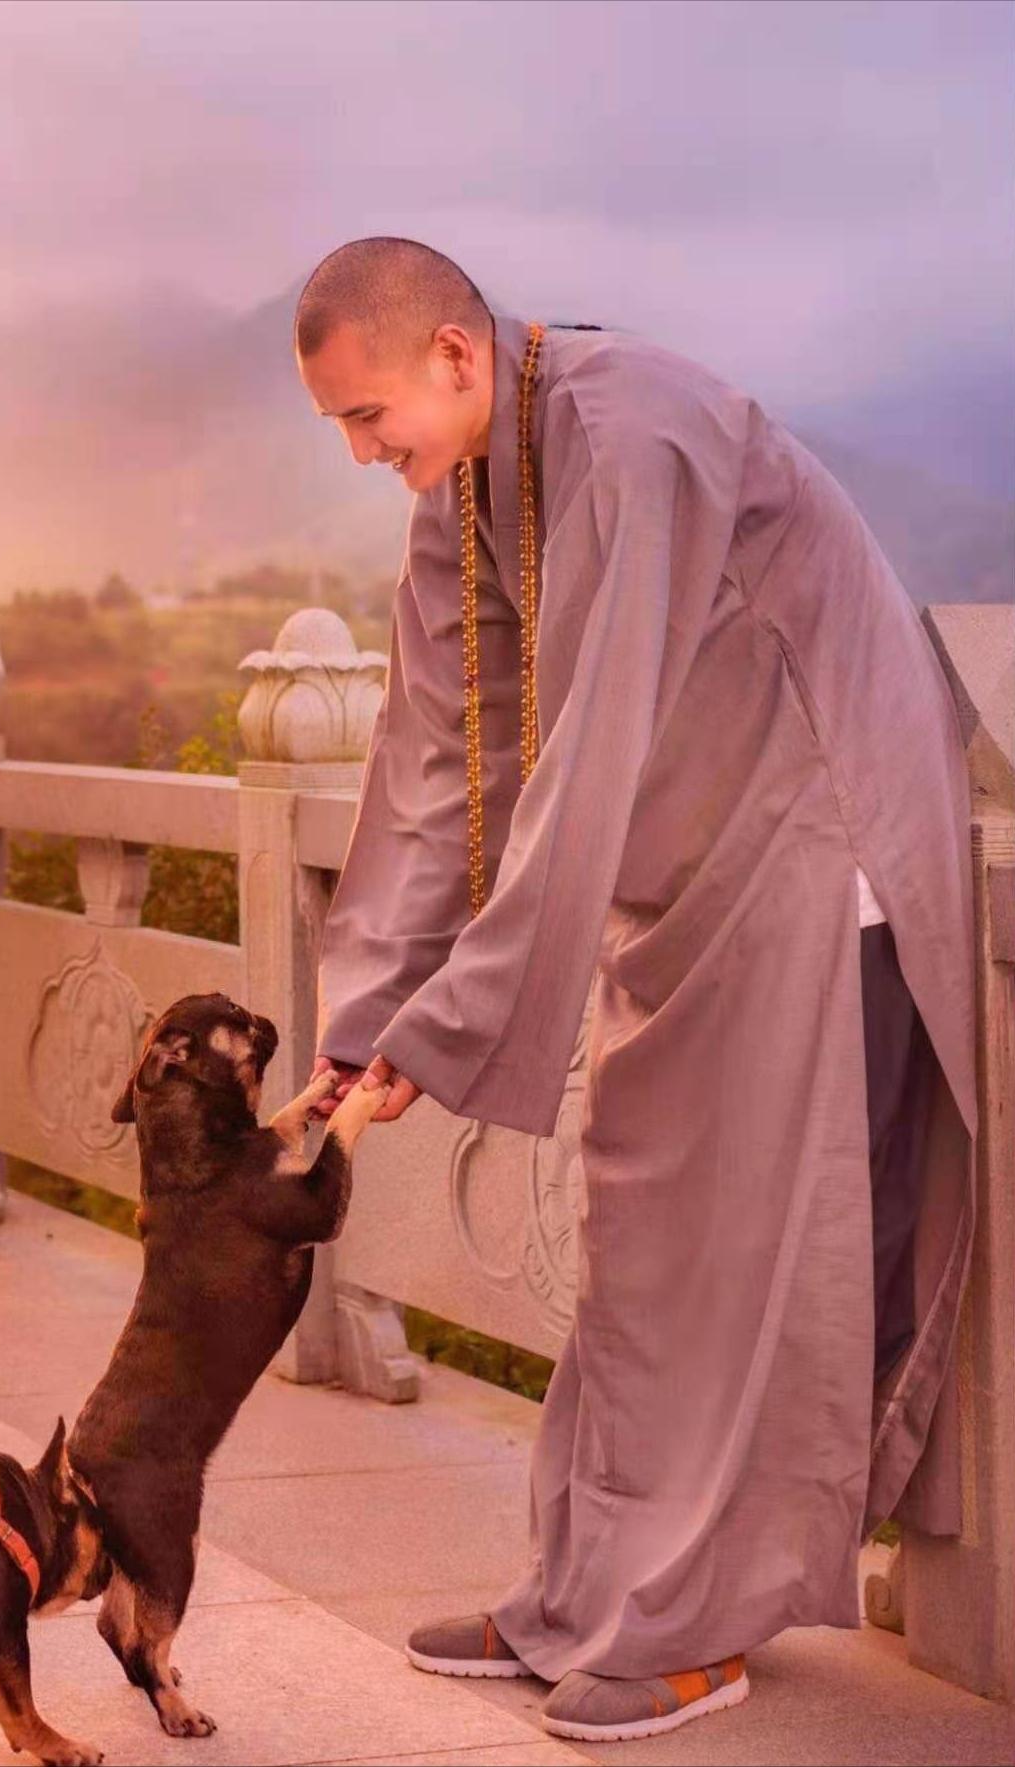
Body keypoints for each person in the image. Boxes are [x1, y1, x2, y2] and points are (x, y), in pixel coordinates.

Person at [293, 237, 975, 1744]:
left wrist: (454, 1017)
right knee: (638, 1226)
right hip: (685, 867)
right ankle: (585, 1598)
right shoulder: (464, 493)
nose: (363, 452)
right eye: (339, 428)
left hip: (811, 823)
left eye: (367, 415)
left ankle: (696, 1629)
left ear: (455, 357)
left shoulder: (632, 424)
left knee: (744, 1240)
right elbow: (433, 765)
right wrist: (363, 1028)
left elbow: (591, 738)